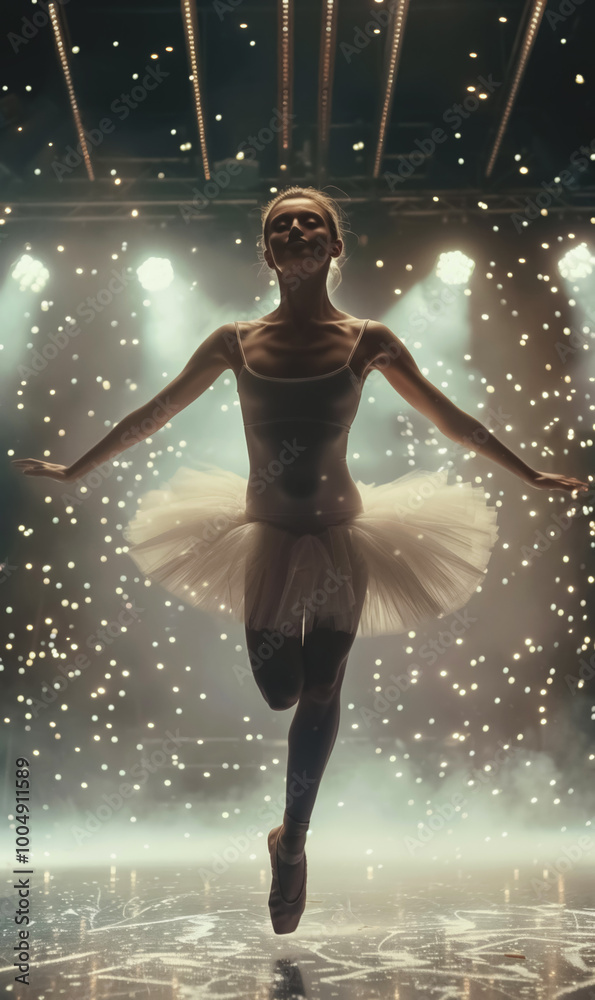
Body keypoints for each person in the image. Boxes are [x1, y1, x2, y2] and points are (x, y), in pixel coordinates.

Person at [13, 185, 590, 935]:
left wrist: (528, 472)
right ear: (267, 250)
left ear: (333, 244)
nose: (294, 228)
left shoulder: (368, 337)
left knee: (321, 684)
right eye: (280, 223)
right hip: (267, 535)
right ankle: (287, 833)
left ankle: (294, 842)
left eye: (308, 220)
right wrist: (75, 469)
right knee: (280, 691)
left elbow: (452, 419)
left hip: (344, 534)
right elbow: (153, 412)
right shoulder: (233, 339)